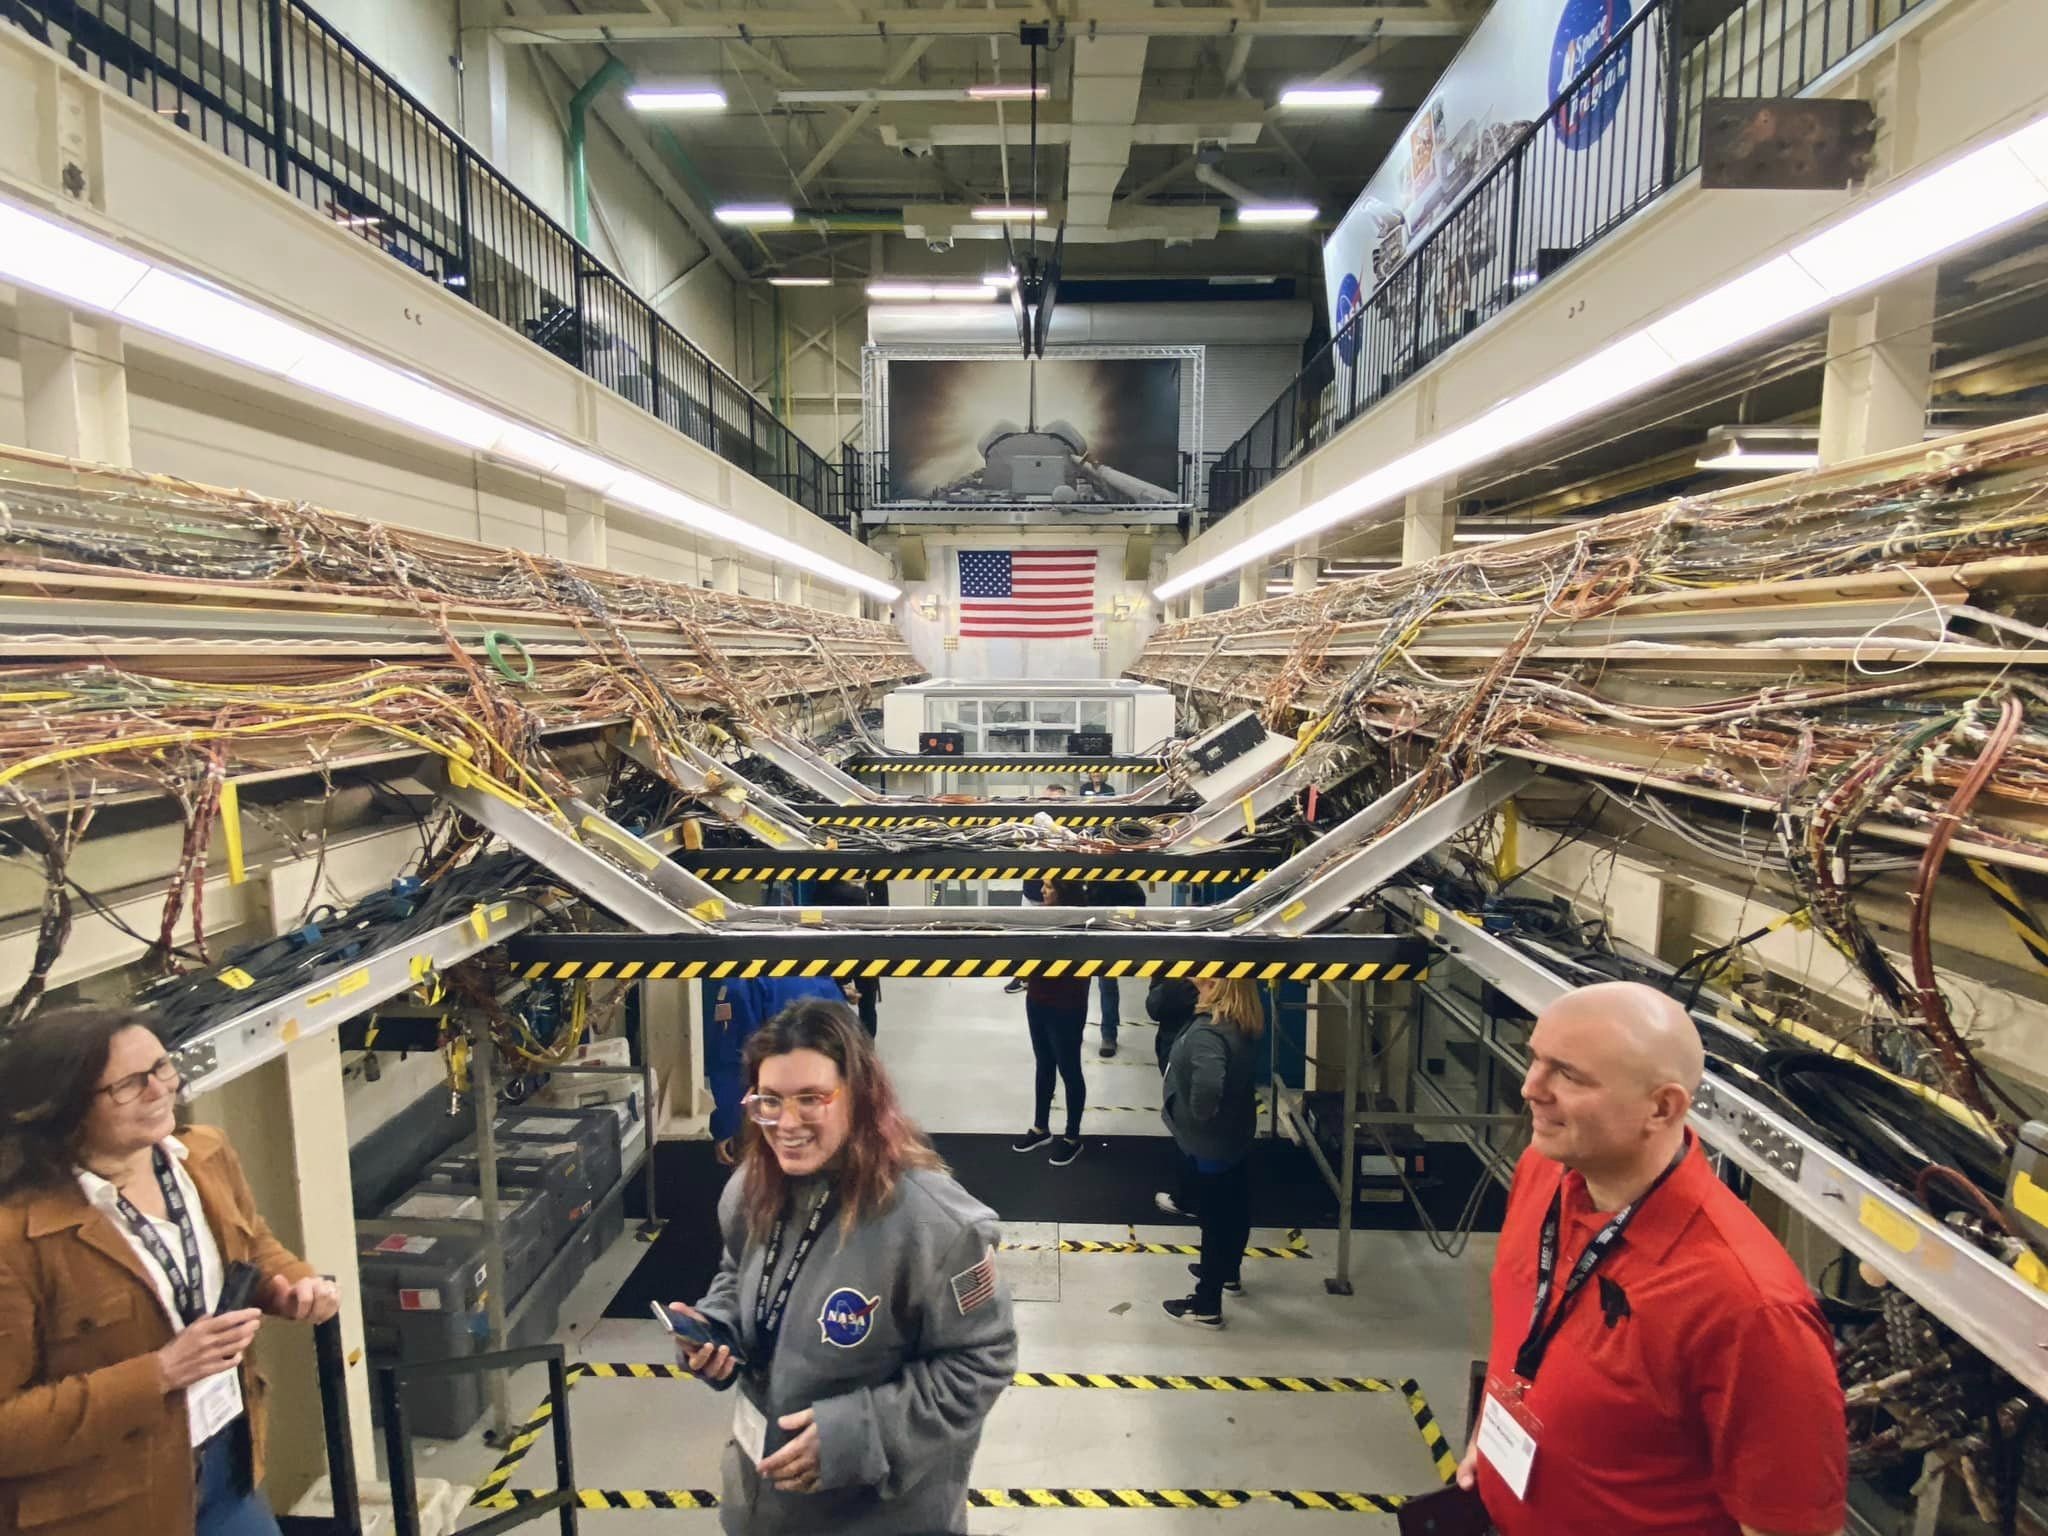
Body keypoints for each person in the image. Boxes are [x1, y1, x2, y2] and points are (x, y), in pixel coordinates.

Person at [1455, 981, 1847, 1536]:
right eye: (1535, 1059)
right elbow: (1528, 1332)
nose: (1530, 1088)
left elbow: (1791, 1528)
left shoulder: (1748, 1306)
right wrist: (1490, 1443)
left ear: (1662, 1108)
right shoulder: (1544, 1173)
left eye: (1567, 1074)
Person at [667, 1000, 1015, 1536]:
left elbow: (982, 1361)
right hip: (762, 1506)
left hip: (879, 1515)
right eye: (770, 1101)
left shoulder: (935, 1225)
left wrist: (862, 1433)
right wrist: (719, 1328)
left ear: (860, 1097)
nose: (786, 1123)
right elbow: (737, 1272)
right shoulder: (750, 1189)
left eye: (811, 1099)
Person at [0, 1006, 341, 1536]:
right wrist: (160, 1372)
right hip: (107, 1505)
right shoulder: (16, 1240)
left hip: (227, 1465)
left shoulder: (202, 1154)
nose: (159, 1090)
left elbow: (251, 1242)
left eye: (161, 1068)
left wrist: (289, 1283)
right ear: (65, 1108)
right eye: (129, 1085)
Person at [1159, 976, 1264, 1328]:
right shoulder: (1243, 1022)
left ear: (1228, 987)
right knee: (1235, 1208)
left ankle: (1206, 1303)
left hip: (1210, 1141)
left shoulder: (1210, 1031)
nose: (1199, 979)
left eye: (1211, 977)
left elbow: (1207, 1087)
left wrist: (1194, 1117)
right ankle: (1226, 1272)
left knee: (1215, 1220)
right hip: (1235, 1135)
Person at [709, 975, 847, 1163]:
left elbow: (732, 1060)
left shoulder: (744, 983)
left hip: (770, 1123)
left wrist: (729, 1126)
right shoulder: (823, 980)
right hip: (827, 1118)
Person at [1011, 878, 1091, 1166]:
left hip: (1066, 1005)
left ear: (1063, 891)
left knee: (1069, 1069)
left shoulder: (1079, 923)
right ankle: (1040, 1127)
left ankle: (1072, 1137)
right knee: (1044, 1063)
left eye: (1048, 887)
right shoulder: (1040, 919)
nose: (1041, 891)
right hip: (1038, 999)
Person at [1146, 976, 1201, 1218]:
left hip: (1181, 1040)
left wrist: (1165, 988)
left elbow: (1157, 1005)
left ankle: (1191, 1198)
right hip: (1177, 1035)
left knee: (1189, 1121)